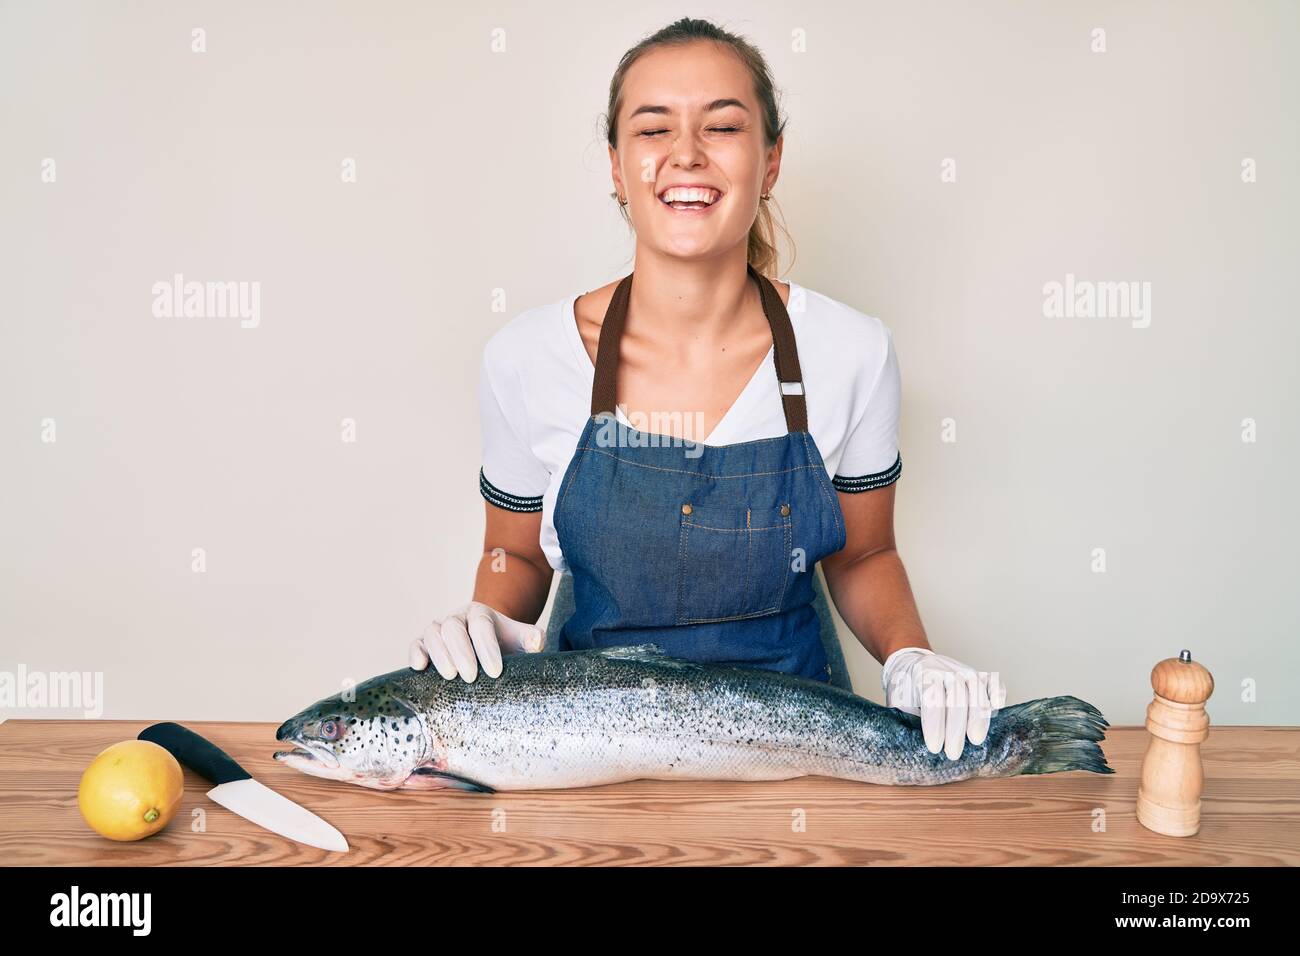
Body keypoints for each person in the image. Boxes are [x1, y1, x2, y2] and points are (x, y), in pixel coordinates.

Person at [410, 17, 1005, 760]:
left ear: (772, 160)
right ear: (617, 167)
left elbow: (864, 554)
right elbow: (518, 558)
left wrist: (912, 656)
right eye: (653, 130)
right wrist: (484, 619)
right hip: (586, 742)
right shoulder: (527, 358)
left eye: (722, 127)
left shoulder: (852, 351)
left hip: (801, 742)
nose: (685, 155)